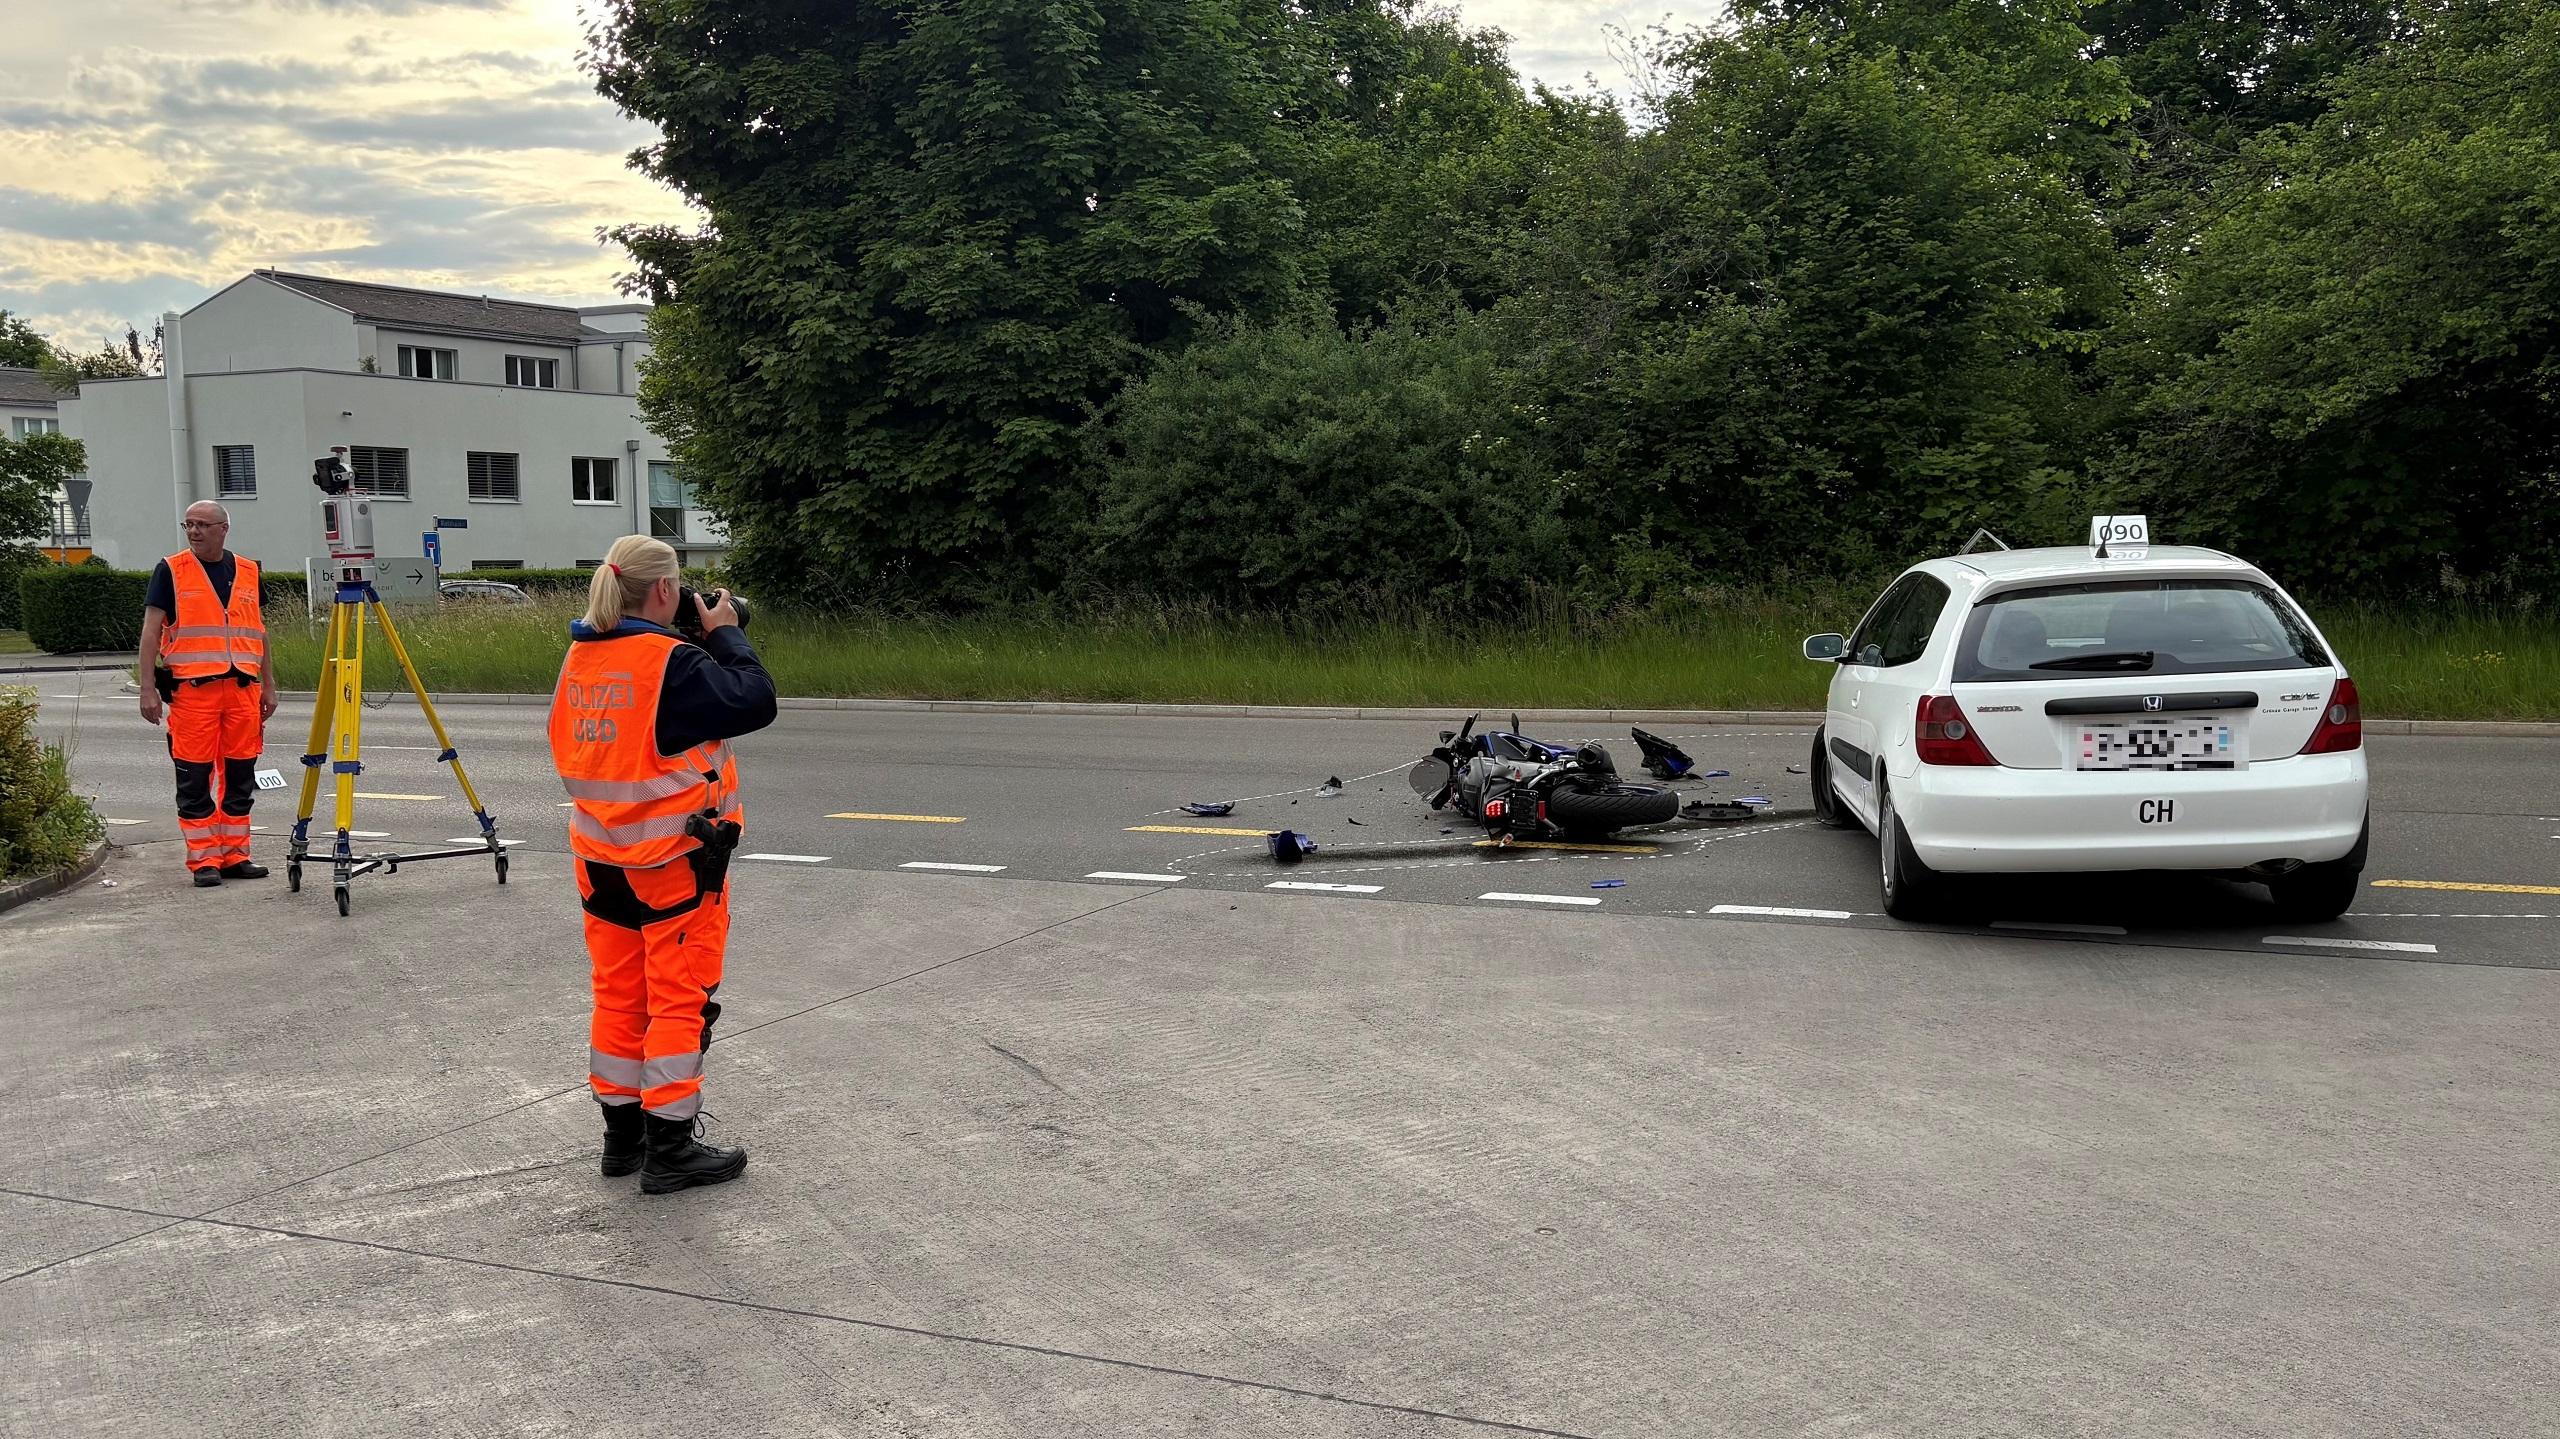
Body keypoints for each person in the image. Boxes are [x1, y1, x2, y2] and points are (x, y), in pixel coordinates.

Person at [546, 535, 776, 1195]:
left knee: (619, 995)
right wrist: (727, 633)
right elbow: (755, 697)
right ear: (667, 592)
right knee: (679, 996)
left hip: (600, 858)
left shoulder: (582, 656)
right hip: (673, 860)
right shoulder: (670, 664)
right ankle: (671, 1145)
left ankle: (623, 1139)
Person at [137, 501, 279, 886]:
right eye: (189, 525)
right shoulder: (172, 569)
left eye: (202, 525)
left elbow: (259, 632)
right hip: (193, 693)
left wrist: (269, 684)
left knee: (240, 776)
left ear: (224, 529)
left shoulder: (248, 570)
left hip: (242, 691)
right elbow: (151, 632)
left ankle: (235, 855)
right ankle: (204, 861)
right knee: (195, 778)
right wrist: (147, 687)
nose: (194, 531)